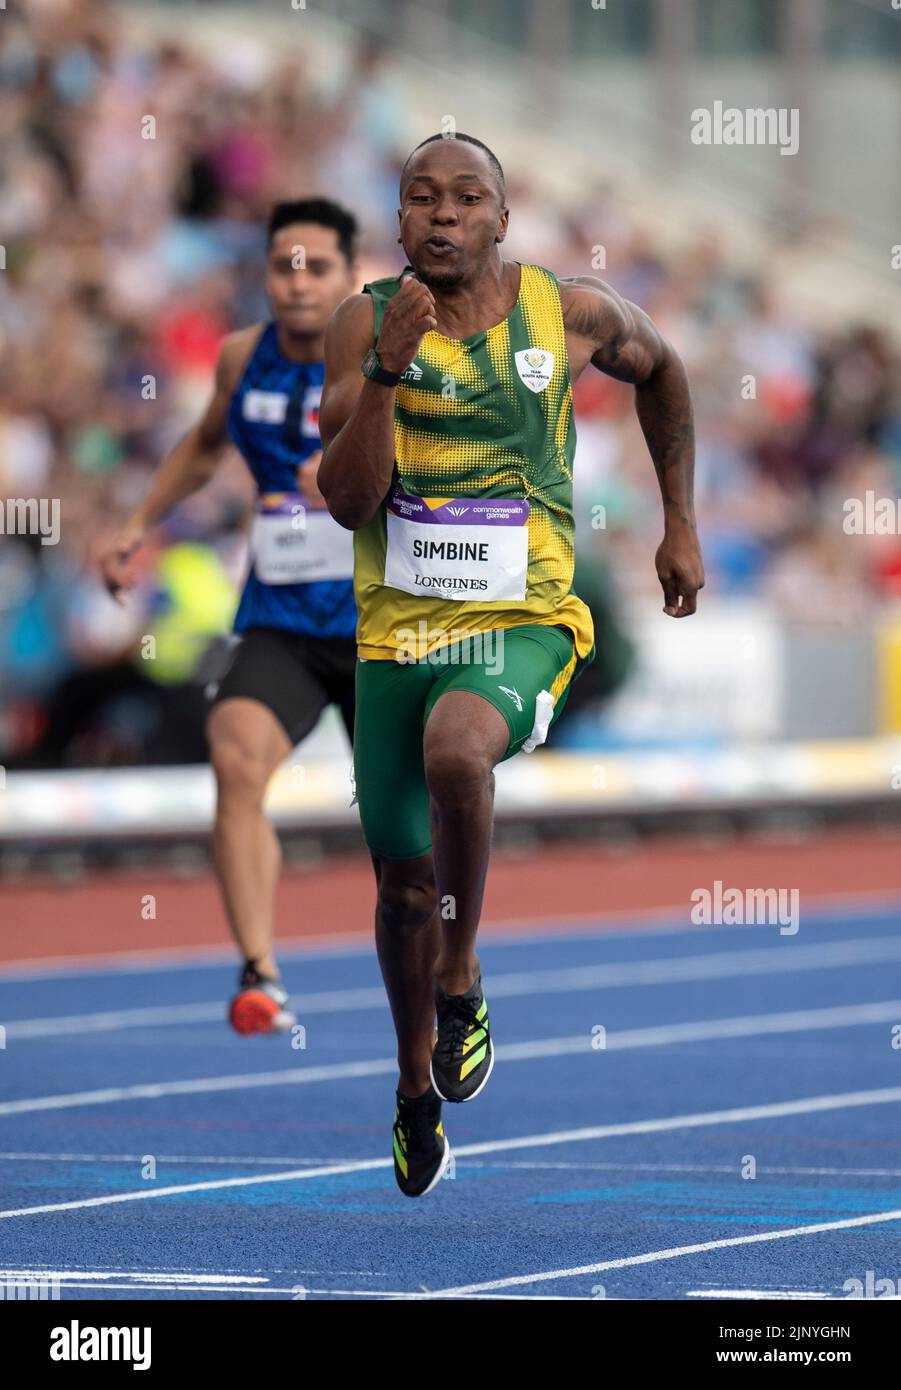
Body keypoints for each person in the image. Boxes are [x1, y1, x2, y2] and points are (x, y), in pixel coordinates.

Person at [319, 134, 705, 1197]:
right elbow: (346, 499)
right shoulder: (361, 321)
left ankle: (463, 971)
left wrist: (679, 521)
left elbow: (665, 369)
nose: (442, 215)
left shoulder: (565, 312)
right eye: (420, 198)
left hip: (523, 618)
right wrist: (387, 368)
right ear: (399, 220)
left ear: (501, 217)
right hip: (395, 639)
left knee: (458, 752)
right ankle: (413, 1089)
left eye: (466, 198)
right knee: (403, 890)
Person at [101, 198, 360, 1036]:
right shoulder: (243, 358)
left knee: (405, 825)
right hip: (283, 618)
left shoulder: (389, 358)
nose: (298, 283)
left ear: (350, 275)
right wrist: (139, 523)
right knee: (235, 757)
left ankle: (446, 972)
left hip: (383, 624)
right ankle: (260, 973)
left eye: (317, 267)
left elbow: (454, 460)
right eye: (284, 266)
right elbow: (206, 443)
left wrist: (361, 473)